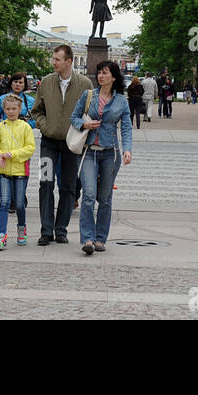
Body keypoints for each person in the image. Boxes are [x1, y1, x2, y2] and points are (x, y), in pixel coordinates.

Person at [30, 44, 93, 245]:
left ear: (69, 61)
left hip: (71, 145)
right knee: (45, 184)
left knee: (68, 187)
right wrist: (45, 126)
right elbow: (36, 110)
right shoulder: (46, 82)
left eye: (57, 59)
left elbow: (89, 112)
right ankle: (46, 231)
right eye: (53, 59)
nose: (53, 62)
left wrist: (82, 131)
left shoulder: (84, 84)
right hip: (48, 142)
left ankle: (61, 230)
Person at [70, 60, 133, 255]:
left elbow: (126, 127)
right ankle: (87, 238)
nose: (101, 76)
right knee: (89, 195)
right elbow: (74, 117)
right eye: (99, 73)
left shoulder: (122, 101)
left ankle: (100, 238)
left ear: (114, 77)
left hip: (110, 153)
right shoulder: (89, 96)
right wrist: (85, 125)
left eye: (105, 73)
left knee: (104, 198)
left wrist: (127, 149)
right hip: (89, 151)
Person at [0, 93, 36, 249]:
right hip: (3, 170)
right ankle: (1, 235)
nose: (10, 112)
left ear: (19, 109)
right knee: (4, 202)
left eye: (13, 109)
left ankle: (21, 228)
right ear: (4, 110)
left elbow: (30, 148)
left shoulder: (25, 127)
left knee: (20, 204)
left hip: (20, 171)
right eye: (7, 109)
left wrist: (14, 154)